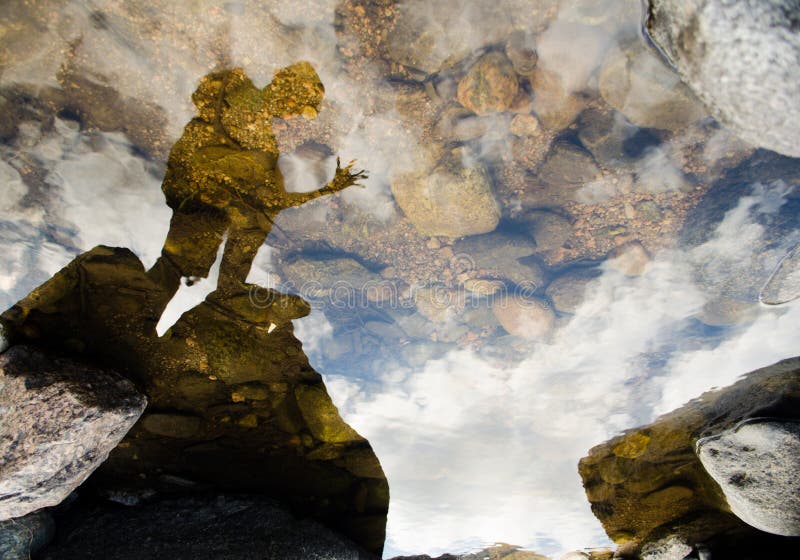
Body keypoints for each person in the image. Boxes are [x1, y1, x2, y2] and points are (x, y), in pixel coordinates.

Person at [148, 62, 365, 307]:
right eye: (296, 108)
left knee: (241, 232)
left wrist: (328, 188)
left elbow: (276, 199)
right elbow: (274, 199)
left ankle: (223, 290)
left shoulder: (252, 123)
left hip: (208, 199)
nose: (292, 117)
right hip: (205, 198)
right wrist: (328, 188)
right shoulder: (249, 124)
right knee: (189, 260)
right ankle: (222, 291)